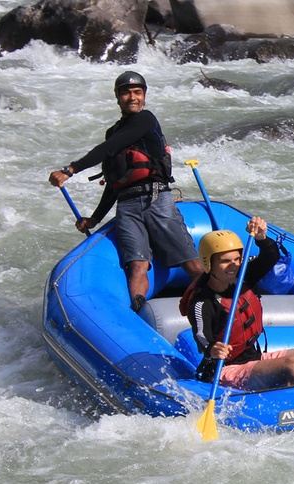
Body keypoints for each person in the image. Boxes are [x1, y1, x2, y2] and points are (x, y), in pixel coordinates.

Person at [48, 70, 203, 313]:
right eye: (126, 92)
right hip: (127, 205)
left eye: (137, 92)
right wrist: (95, 218)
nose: (132, 97)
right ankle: (139, 314)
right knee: (137, 265)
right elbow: (114, 182)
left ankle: (215, 306)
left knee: (190, 261)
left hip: (156, 199)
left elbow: (110, 148)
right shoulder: (113, 131)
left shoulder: (146, 120)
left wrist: (71, 169)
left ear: (144, 96)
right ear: (118, 97)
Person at [182, 217, 294, 390]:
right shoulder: (202, 301)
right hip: (226, 369)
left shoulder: (243, 277)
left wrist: (261, 238)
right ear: (209, 264)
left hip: (255, 359)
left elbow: (271, 255)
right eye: (225, 261)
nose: (233, 266)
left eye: (237, 259)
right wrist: (213, 349)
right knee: (293, 365)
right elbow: (201, 336)